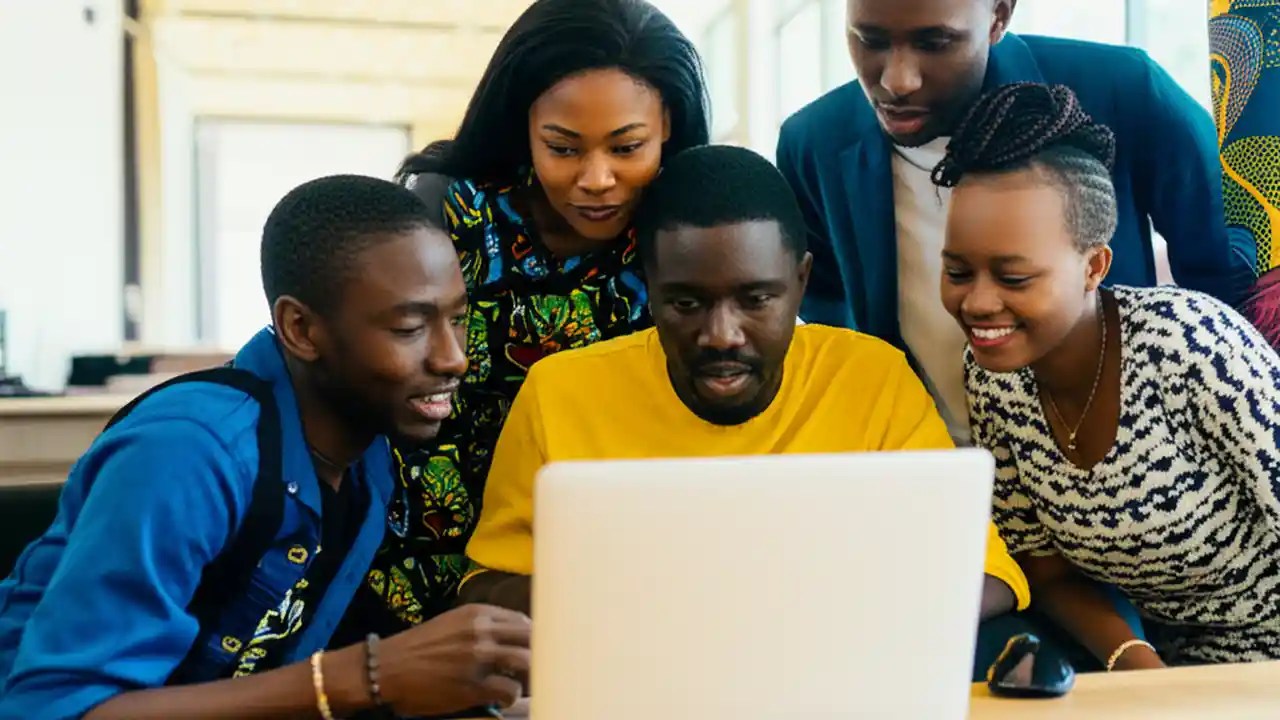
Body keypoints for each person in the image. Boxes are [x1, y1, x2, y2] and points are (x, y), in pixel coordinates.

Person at [458, 144, 1035, 680]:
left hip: (834, 681)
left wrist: (806, 622)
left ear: (801, 282)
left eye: (756, 300)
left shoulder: (871, 379)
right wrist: (660, 611)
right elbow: (485, 589)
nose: (721, 335)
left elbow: (986, 575)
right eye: (686, 303)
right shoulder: (561, 392)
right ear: (649, 286)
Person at [0, 176, 532, 719]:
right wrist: (364, 678)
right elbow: (51, 710)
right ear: (300, 328)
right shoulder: (189, 453)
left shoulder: (365, 459)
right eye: (409, 327)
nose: (453, 358)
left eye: (458, 320)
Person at [350, 0, 711, 633]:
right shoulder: (449, 216)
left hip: (583, 551)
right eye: (563, 148)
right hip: (411, 532)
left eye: (627, 147)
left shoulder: (680, 233)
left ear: (669, 128)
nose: (597, 179)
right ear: (524, 128)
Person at [775, 0, 1255, 443]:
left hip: (1127, 469)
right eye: (871, 39)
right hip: (927, 468)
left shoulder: (1125, 91)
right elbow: (830, 310)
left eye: (934, 42)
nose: (898, 80)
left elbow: (1225, 275)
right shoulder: (812, 143)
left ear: (999, 15)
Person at [936, 82, 1280, 667]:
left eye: (1014, 278)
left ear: (1094, 265)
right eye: (958, 272)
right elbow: (1044, 569)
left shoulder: (1192, 344)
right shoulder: (994, 380)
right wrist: (1138, 666)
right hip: (1167, 669)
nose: (978, 303)